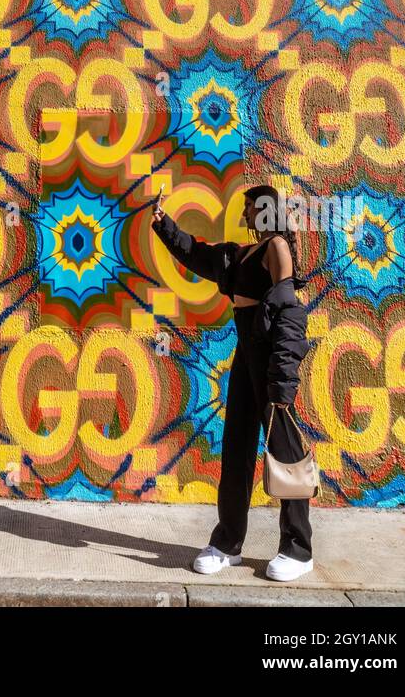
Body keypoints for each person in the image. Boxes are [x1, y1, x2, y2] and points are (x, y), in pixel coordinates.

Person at [152, 184, 313, 582]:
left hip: (269, 359)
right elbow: (201, 255)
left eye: (248, 210)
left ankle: (298, 548)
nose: (242, 217)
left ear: (264, 212)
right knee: (236, 447)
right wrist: (164, 226)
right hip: (246, 355)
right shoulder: (245, 254)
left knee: (286, 453)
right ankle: (228, 543)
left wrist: (283, 382)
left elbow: (290, 317)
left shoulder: (277, 247)